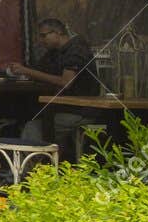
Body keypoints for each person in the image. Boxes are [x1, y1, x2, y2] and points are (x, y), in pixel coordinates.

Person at [12, 18, 102, 152]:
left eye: (44, 35)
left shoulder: (76, 49)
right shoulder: (54, 52)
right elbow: (39, 70)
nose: (41, 40)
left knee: (34, 127)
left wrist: (27, 71)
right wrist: (25, 72)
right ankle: (45, 164)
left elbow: (66, 82)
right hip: (62, 108)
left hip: (80, 110)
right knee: (23, 116)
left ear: (58, 32)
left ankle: (31, 170)